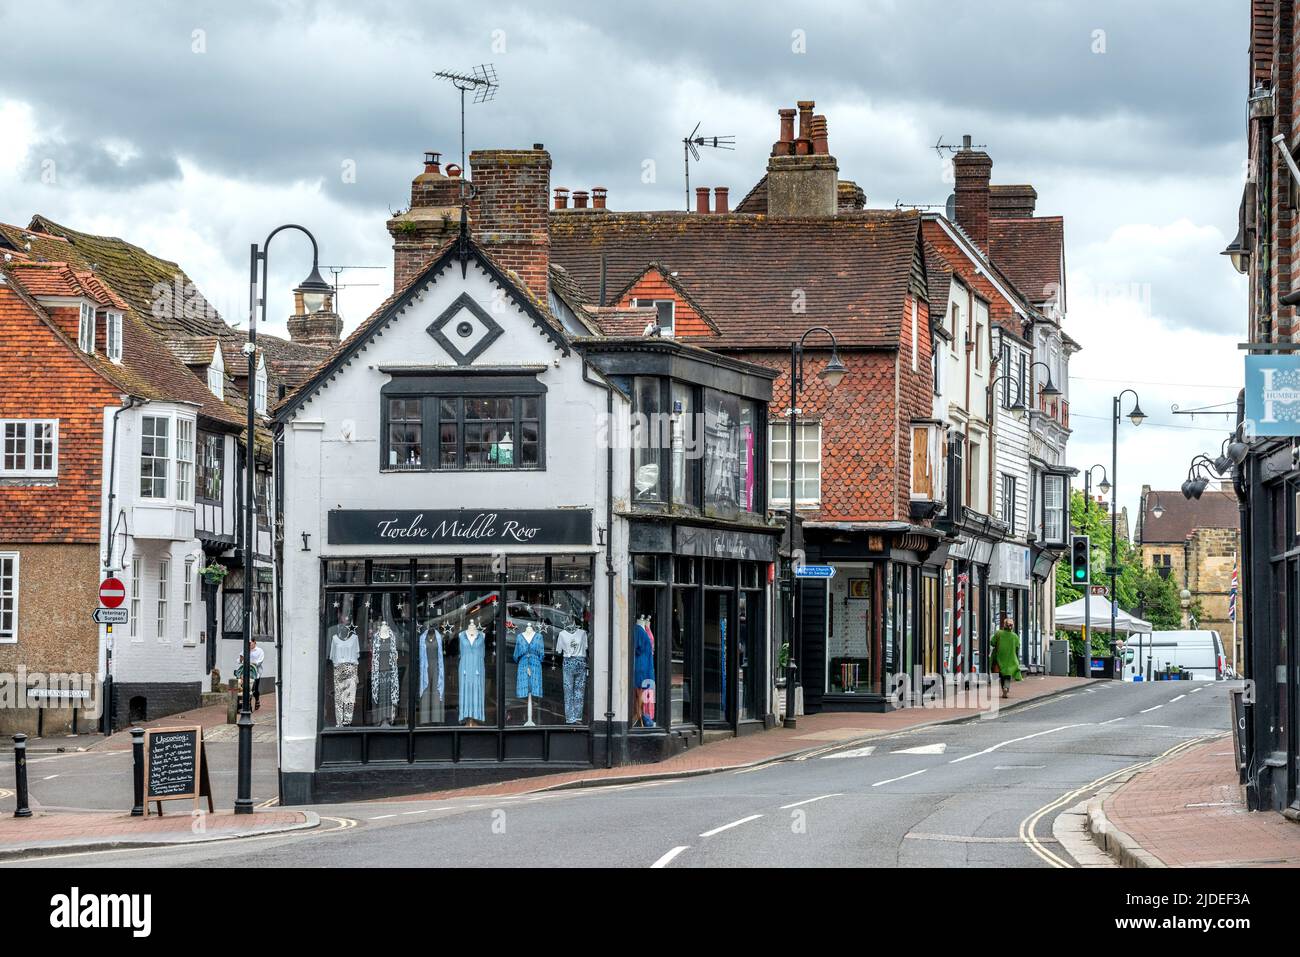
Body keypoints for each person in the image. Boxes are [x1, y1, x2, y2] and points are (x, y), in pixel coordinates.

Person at [990, 616, 1023, 699]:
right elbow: (1017, 647)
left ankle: (1003, 688)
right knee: (1007, 675)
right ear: (1012, 626)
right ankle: (1006, 688)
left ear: (1004, 625)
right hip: (1011, 658)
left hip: (999, 657)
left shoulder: (998, 633)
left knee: (1002, 674)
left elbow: (992, 643)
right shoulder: (1015, 636)